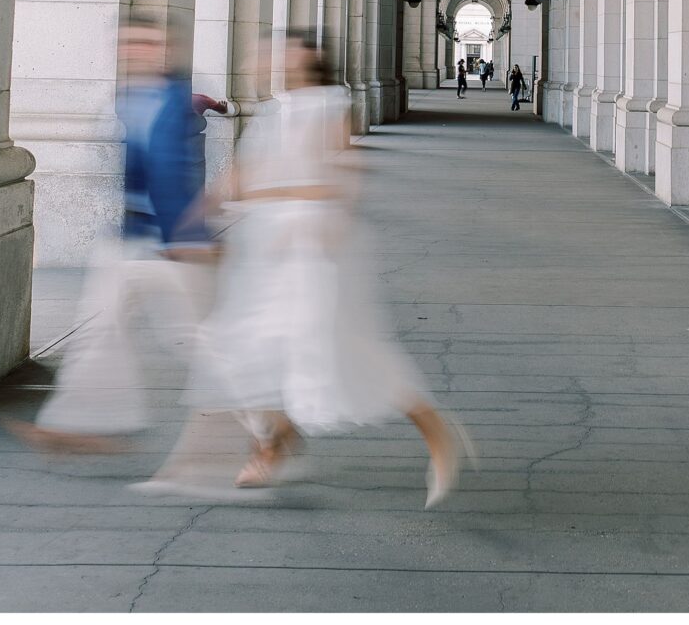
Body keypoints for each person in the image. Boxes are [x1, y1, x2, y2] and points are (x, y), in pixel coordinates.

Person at [141, 31, 475, 507]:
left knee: (341, 354)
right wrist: (191, 222)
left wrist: (300, 208)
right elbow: (240, 174)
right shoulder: (276, 109)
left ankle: (438, 438)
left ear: (312, 58)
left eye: (285, 51)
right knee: (243, 349)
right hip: (265, 247)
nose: (272, 58)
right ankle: (271, 446)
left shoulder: (328, 104)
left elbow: (343, 174)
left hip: (310, 246)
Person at [7, 12, 214, 453]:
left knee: (196, 341)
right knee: (99, 329)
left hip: (172, 243)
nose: (134, 51)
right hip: (129, 238)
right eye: (127, 43)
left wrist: (187, 240)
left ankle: (266, 422)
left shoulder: (175, 102)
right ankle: (73, 424)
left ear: (163, 51)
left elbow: (178, 173)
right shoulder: (125, 99)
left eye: (144, 43)